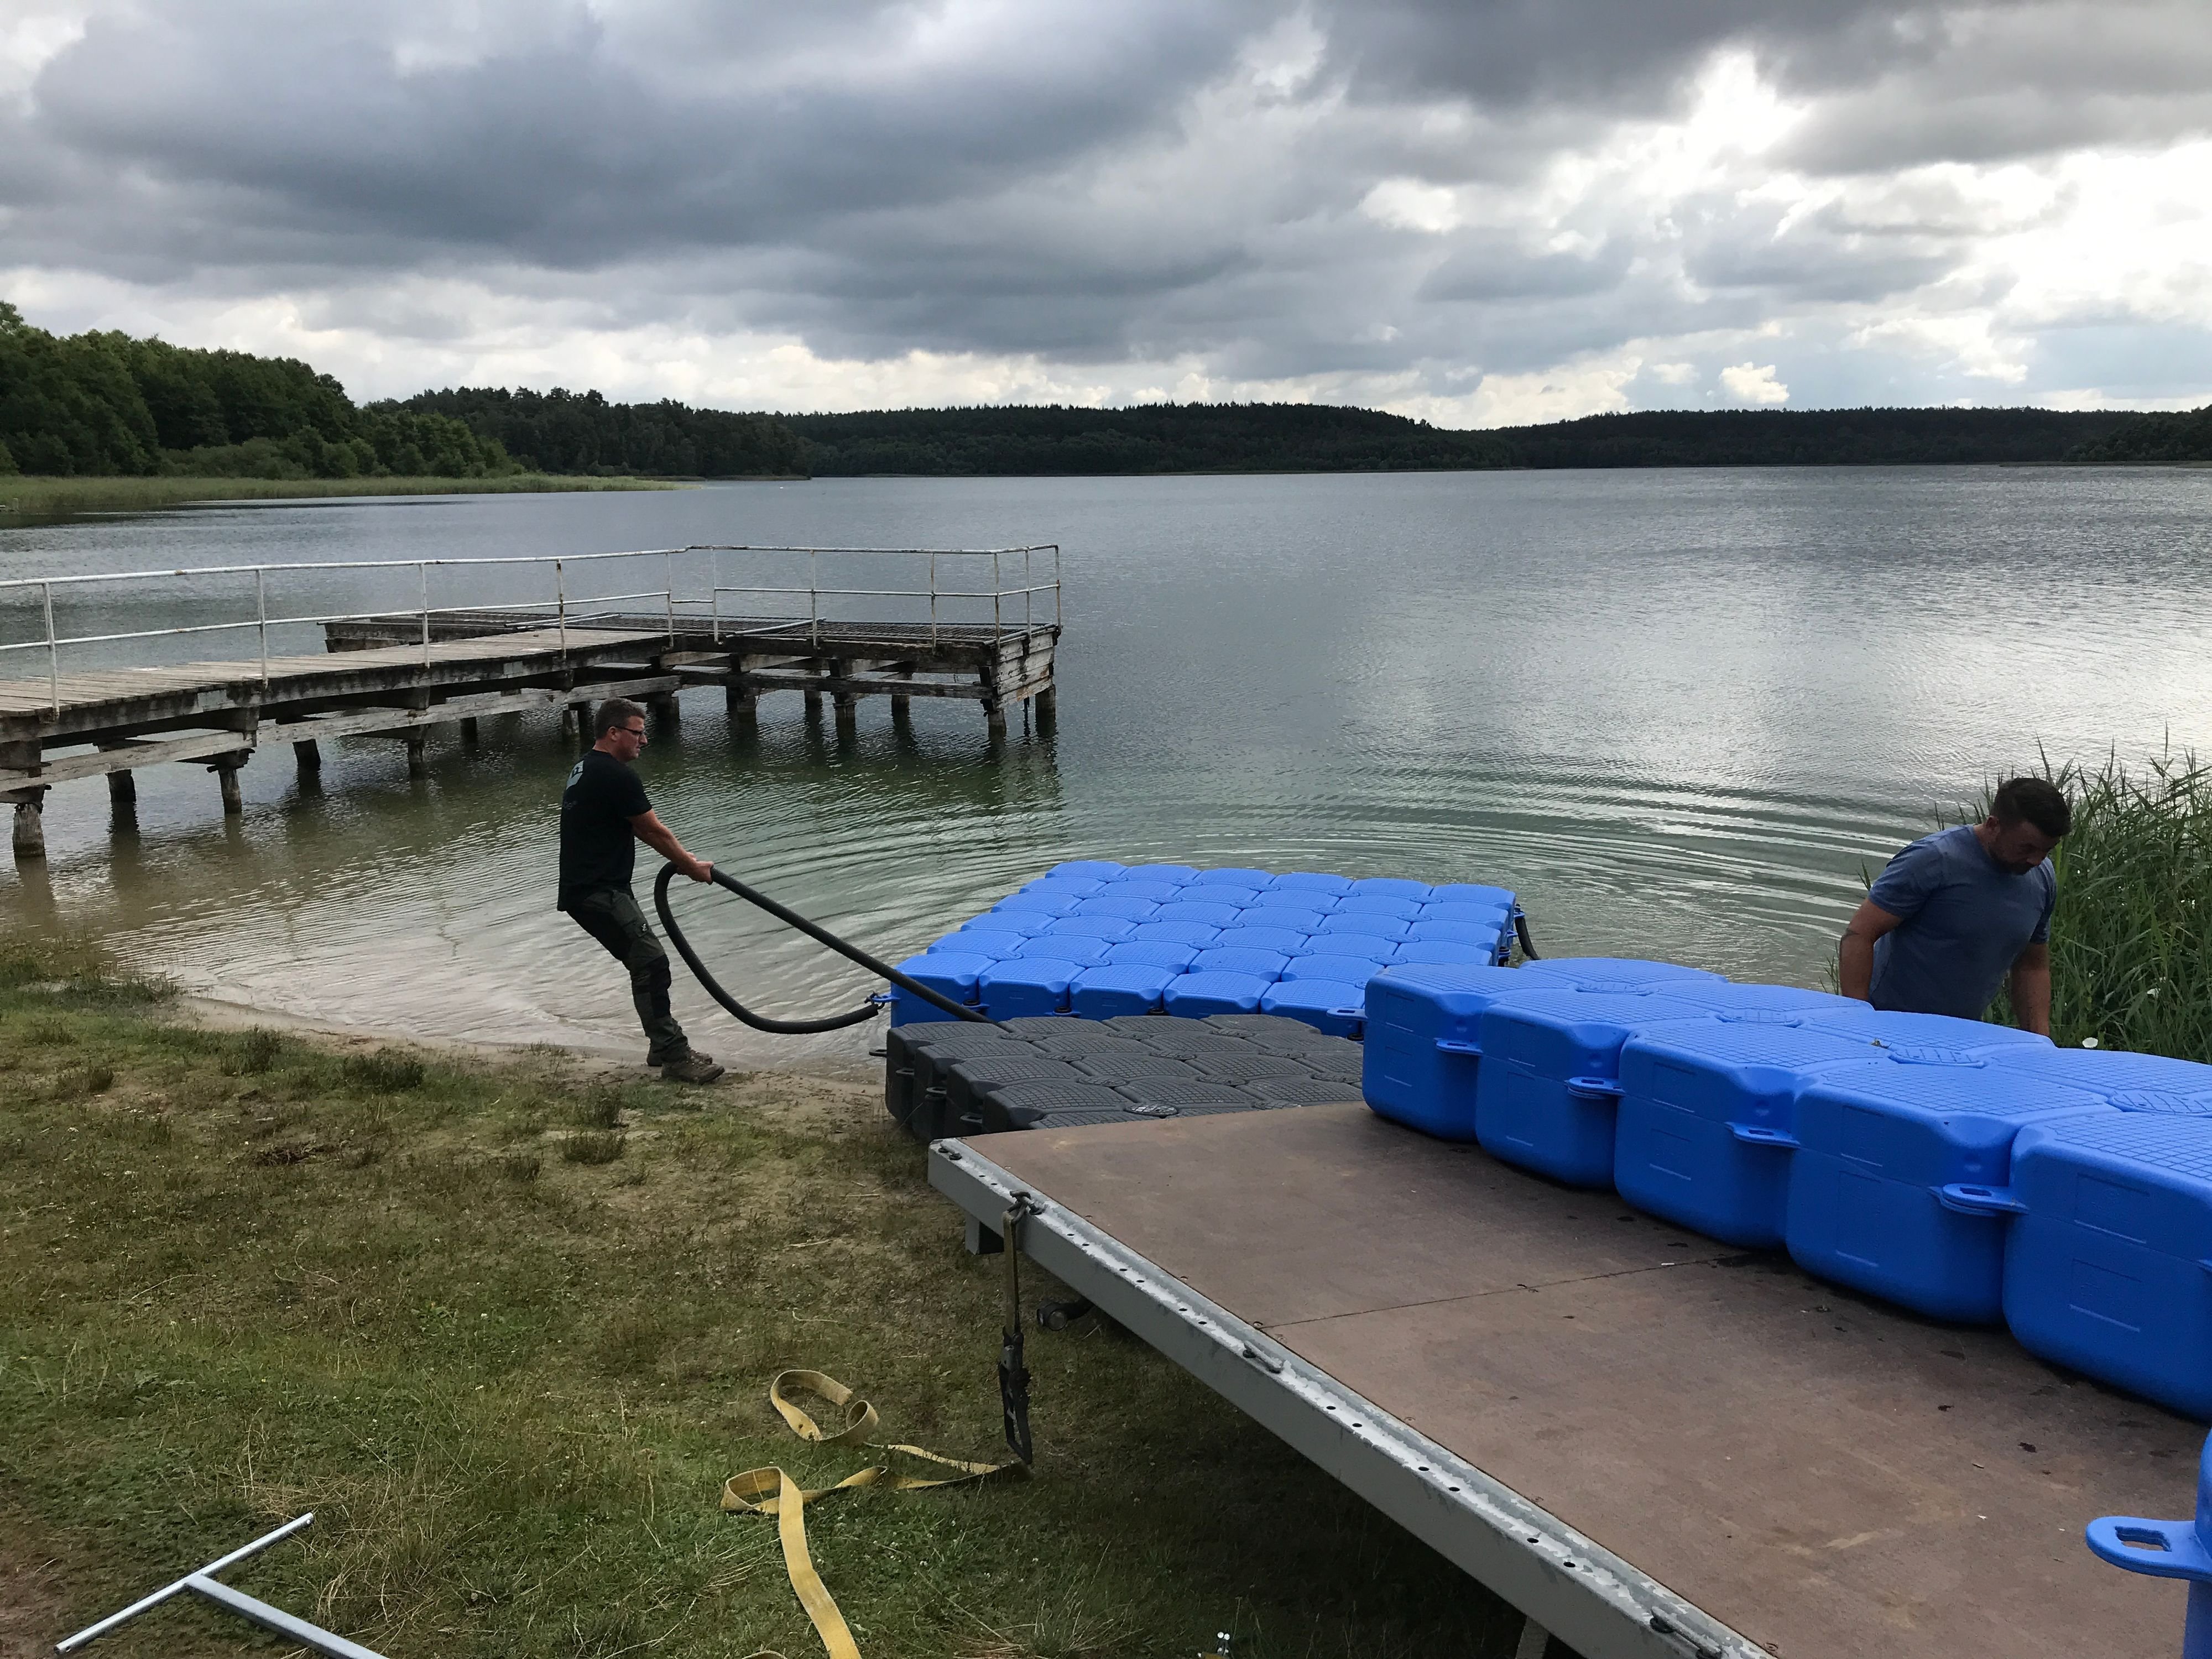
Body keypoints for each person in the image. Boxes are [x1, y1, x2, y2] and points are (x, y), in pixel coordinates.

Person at [558, 698, 724, 1083]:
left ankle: (662, 1046)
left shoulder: (586, 768)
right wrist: (690, 866)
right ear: (613, 733)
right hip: (597, 891)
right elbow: (652, 829)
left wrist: (682, 861)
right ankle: (675, 1057)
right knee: (650, 962)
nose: (644, 741)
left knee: (645, 963)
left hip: (593, 889)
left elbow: (635, 826)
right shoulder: (615, 774)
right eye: (637, 732)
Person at [1838, 775, 2072, 1035]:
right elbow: (1859, 934)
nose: (2036, 860)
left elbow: (2032, 965)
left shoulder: (2042, 877)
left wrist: (2040, 1042)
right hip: (1888, 1024)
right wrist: (1857, 1021)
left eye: (2046, 850)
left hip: (1961, 1034)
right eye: (2026, 847)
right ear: (1994, 825)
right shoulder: (1933, 860)